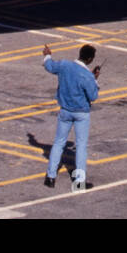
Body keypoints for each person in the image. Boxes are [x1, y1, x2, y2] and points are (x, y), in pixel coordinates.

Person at [42, 44, 101, 189]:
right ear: (90, 59)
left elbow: (49, 66)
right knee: (81, 146)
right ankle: (79, 183)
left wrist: (47, 55)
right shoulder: (87, 75)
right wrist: (95, 80)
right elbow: (93, 96)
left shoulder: (64, 65)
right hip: (81, 113)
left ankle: (50, 177)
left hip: (65, 110)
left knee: (58, 143)